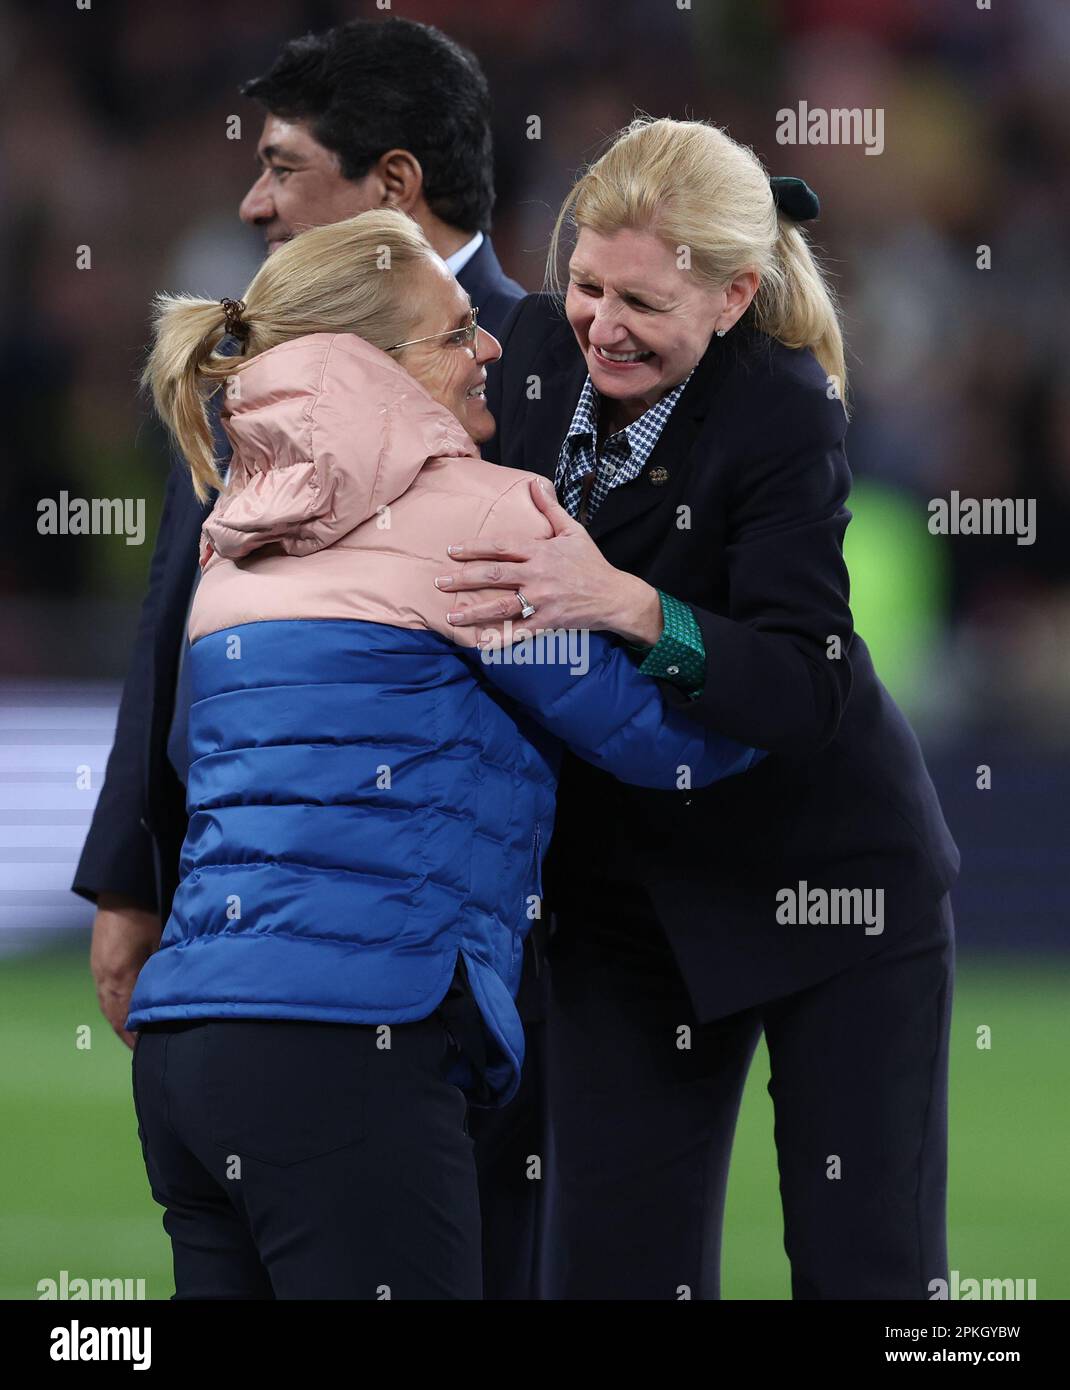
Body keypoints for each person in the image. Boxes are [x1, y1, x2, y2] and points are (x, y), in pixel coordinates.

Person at [126, 210, 763, 1299]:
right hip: (352, 1035)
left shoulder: (235, 529)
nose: (492, 350)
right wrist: (772, 682)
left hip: (187, 1042)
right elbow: (658, 743)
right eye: (457, 333)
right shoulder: (477, 513)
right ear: (375, 367)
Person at [437, 116, 960, 1300]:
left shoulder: (780, 406)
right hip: (621, 907)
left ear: (731, 297)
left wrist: (628, 604)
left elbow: (805, 680)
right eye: (583, 284)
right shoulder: (524, 349)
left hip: (832, 889)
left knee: (865, 1271)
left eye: (641, 303)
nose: (599, 324)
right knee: (612, 1277)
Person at [72, 17, 540, 1299]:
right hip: (332, 956)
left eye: (282, 165)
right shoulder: (249, 367)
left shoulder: (552, 353)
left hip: (513, 942)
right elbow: (169, 633)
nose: (252, 197)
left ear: (389, 183)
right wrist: (128, 874)